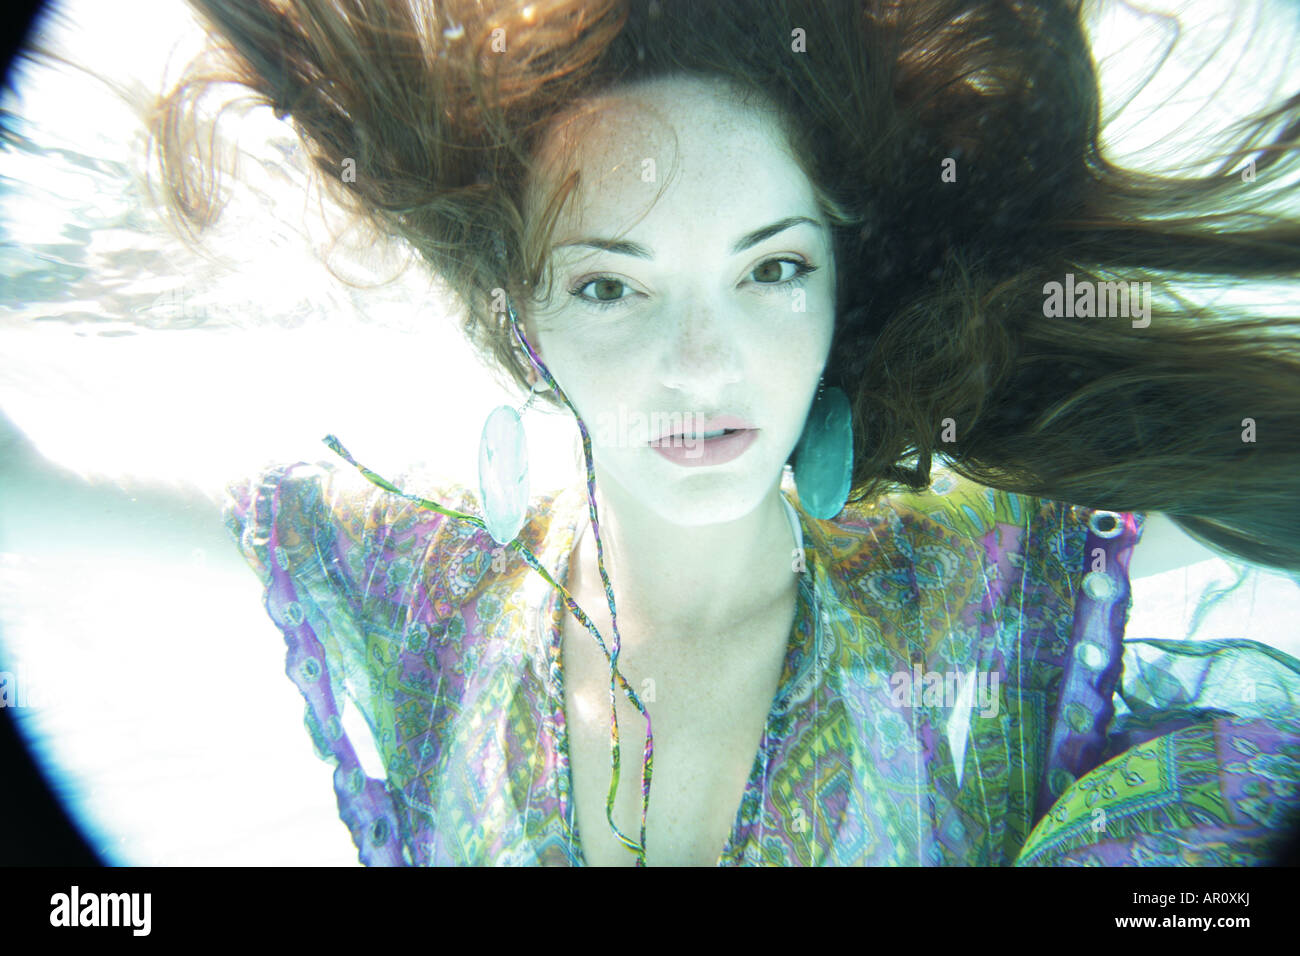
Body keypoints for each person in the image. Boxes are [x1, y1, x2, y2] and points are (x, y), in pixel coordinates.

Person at [156, 0, 1300, 865]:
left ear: (839, 288)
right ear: (526, 316)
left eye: (771, 268)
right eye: (612, 285)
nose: (701, 365)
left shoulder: (978, 583)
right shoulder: (421, 579)